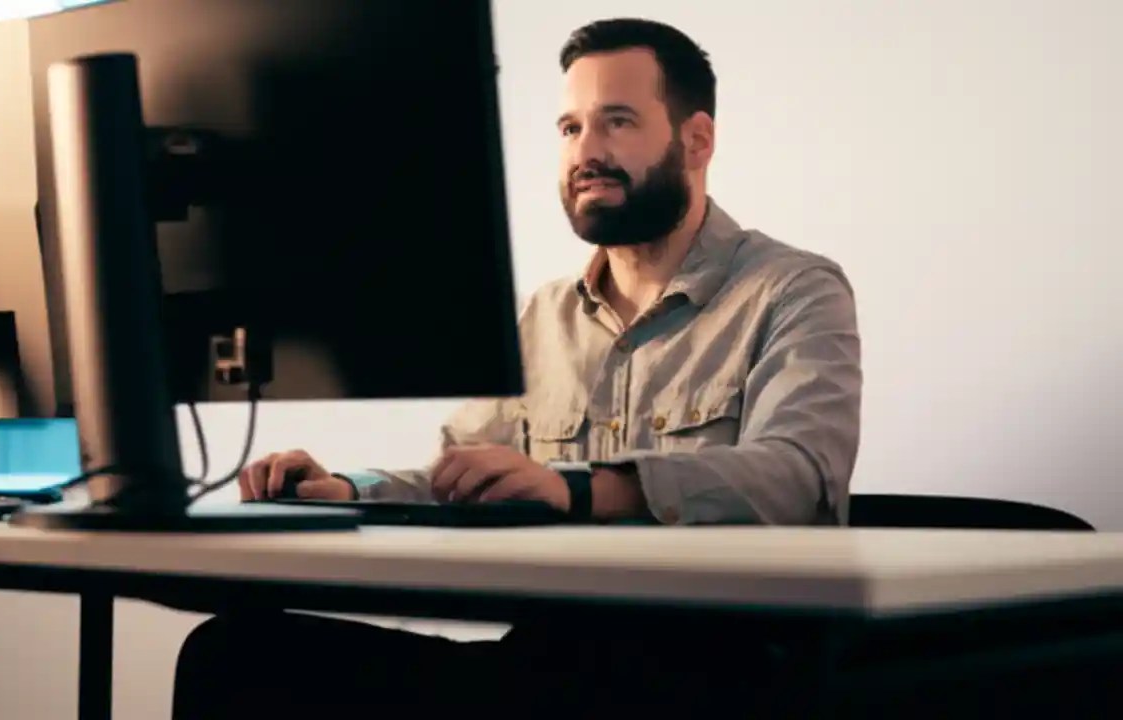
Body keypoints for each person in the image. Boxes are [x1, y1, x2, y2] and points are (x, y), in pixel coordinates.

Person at [173, 17, 861, 718]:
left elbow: (797, 477)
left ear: (697, 139)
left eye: (617, 122)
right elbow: (463, 472)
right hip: (551, 662)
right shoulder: (542, 316)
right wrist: (346, 487)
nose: (586, 152)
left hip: (715, 674)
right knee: (237, 653)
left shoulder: (793, 289)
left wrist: (584, 489)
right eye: (569, 128)